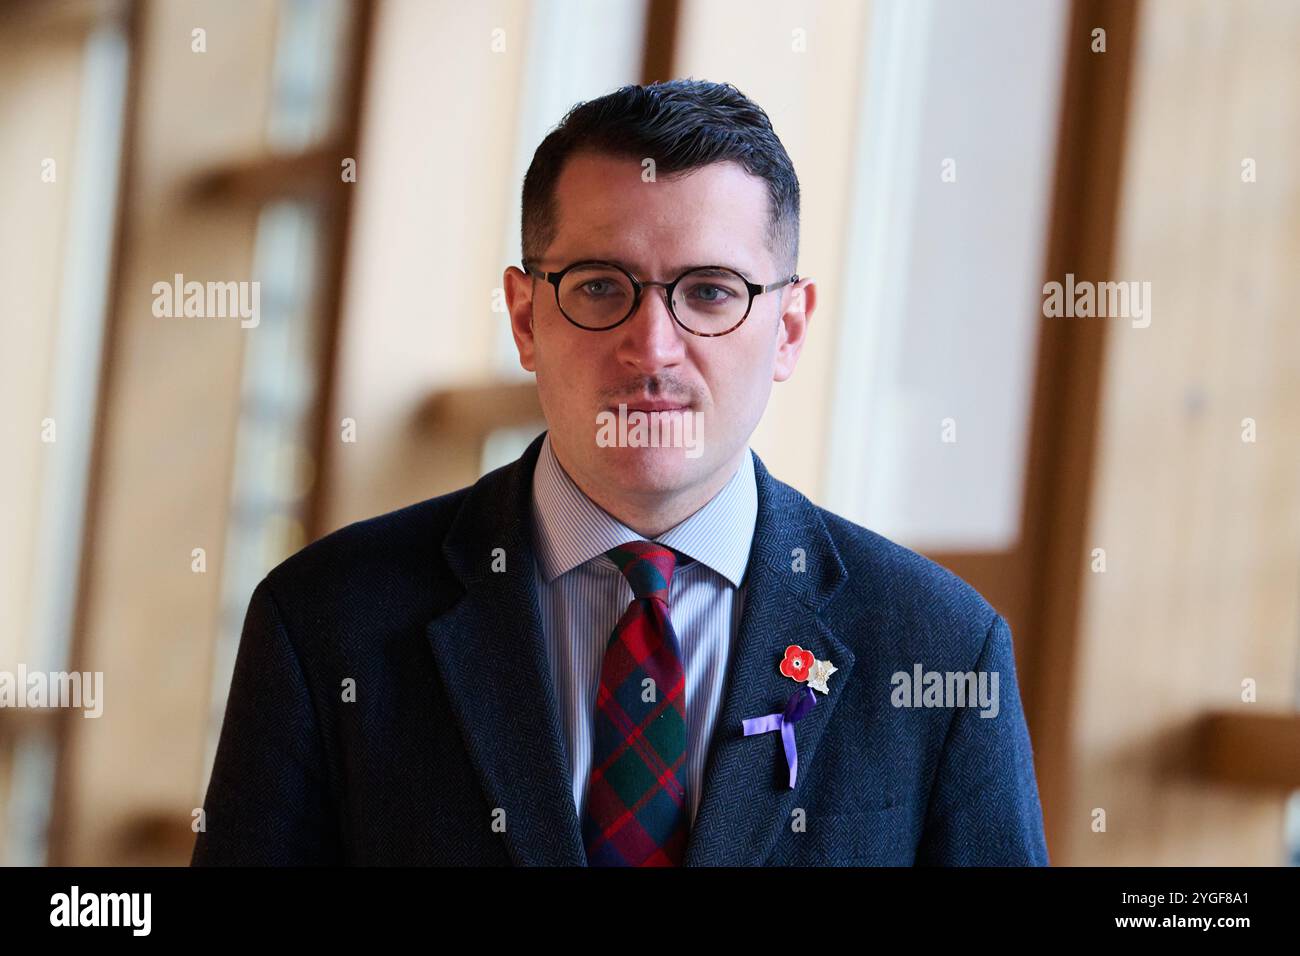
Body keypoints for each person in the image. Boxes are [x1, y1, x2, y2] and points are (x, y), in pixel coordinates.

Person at [192, 79, 1048, 866]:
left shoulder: (940, 647)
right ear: (526, 318)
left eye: (710, 291)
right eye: (602, 287)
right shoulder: (325, 621)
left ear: (788, 329)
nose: (653, 349)